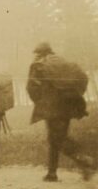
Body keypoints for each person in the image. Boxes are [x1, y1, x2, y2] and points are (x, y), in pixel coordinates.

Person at [26, 42, 96, 181]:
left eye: (37, 53)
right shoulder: (65, 63)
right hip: (67, 106)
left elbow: (31, 87)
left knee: (57, 138)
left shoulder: (39, 65)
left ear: (40, 53)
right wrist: (77, 94)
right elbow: (83, 77)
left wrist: (40, 101)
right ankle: (52, 173)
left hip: (51, 107)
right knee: (56, 137)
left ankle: (84, 159)